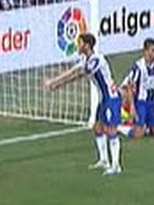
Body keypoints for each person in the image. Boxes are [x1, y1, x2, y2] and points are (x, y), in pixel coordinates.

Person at [44, 32, 121, 175]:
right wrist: (54, 82)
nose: (78, 45)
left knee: (110, 129)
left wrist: (56, 85)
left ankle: (116, 165)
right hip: (103, 98)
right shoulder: (86, 59)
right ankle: (104, 160)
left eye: (80, 43)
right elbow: (71, 71)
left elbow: (78, 75)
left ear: (87, 45)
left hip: (111, 98)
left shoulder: (96, 60)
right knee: (97, 128)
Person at [123, 38, 154, 138]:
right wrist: (132, 107)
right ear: (146, 51)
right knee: (137, 135)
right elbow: (129, 86)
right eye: (153, 50)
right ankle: (122, 127)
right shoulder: (138, 67)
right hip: (141, 102)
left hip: (153, 102)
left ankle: (146, 125)